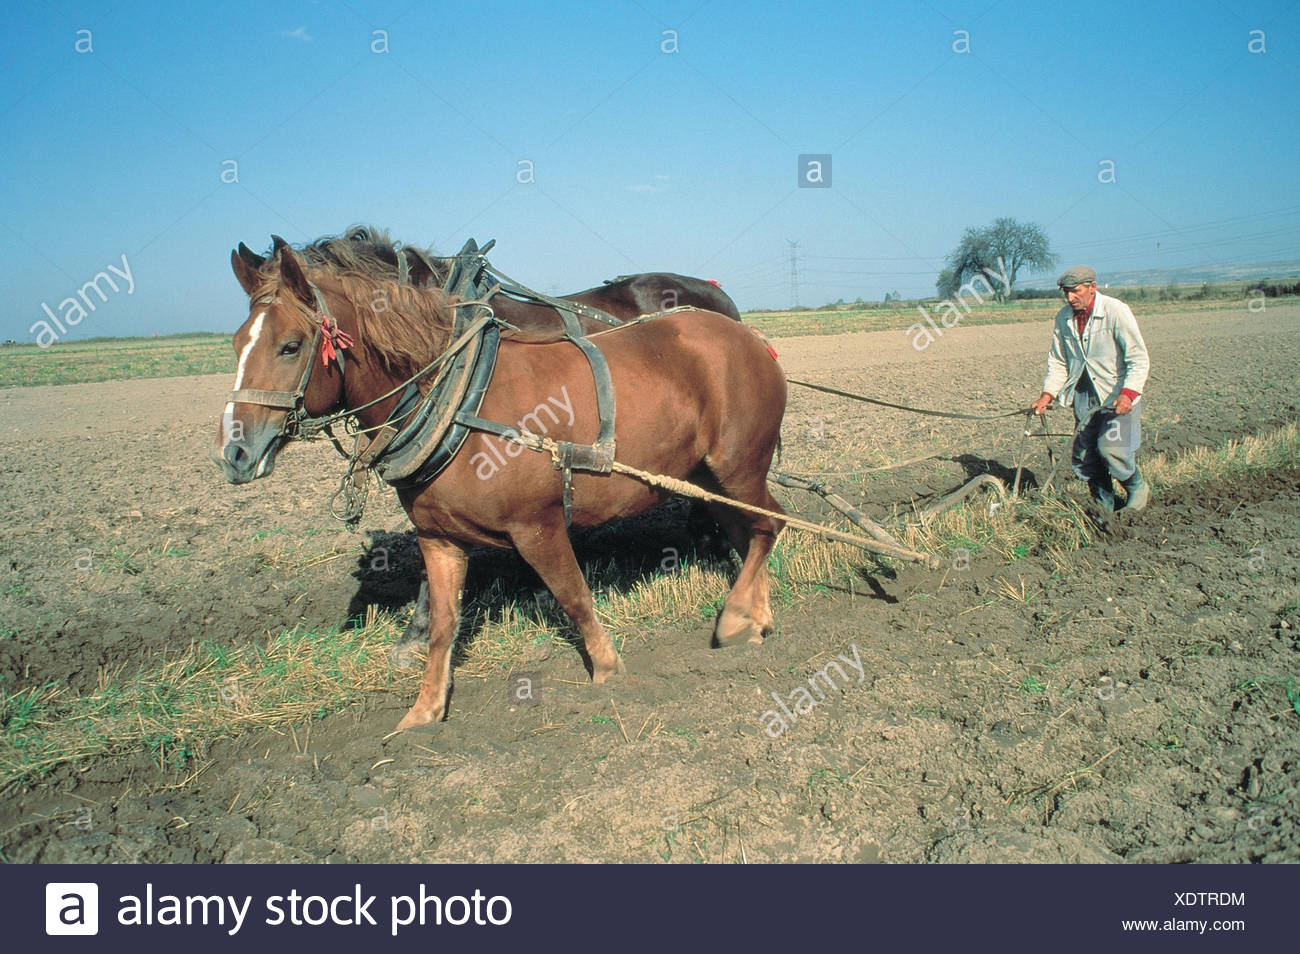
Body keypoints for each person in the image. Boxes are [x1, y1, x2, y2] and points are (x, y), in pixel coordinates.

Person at [1030, 266, 1151, 511]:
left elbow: (1138, 358)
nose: (1070, 298)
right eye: (1066, 292)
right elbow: (1058, 360)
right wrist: (1047, 394)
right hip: (1084, 394)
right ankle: (1104, 506)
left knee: (1113, 449)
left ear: (1092, 287)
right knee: (1084, 456)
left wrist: (1128, 394)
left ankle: (1137, 487)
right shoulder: (1063, 317)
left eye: (1076, 291)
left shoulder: (1115, 311)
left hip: (1116, 394)